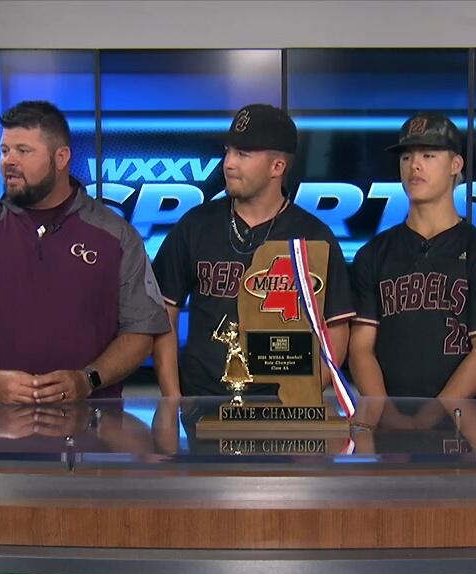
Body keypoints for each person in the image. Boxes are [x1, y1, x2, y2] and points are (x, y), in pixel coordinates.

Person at [0, 100, 169, 405]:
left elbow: (140, 333)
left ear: (61, 157)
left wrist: (87, 380)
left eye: (23, 151)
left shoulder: (117, 237)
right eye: (4, 150)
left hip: (91, 429)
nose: (9, 161)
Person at [151, 103, 355, 397]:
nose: (229, 163)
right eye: (228, 151)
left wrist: (301, 397)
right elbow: (164, 314)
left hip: (280, 413)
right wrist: (173, 400)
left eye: (243, 154)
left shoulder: (313, 236)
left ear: (277, 167)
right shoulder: (195, 225)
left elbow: (335, 329)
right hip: (203, 408)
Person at [349, 112, 476, 399]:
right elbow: (361, 349)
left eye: (429, 155)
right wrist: (385, 414)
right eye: (407, 157)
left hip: (462, 424)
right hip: (388, 425)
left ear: (456, 164)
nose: (415, 166)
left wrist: (435, 416)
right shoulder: (373, 254)